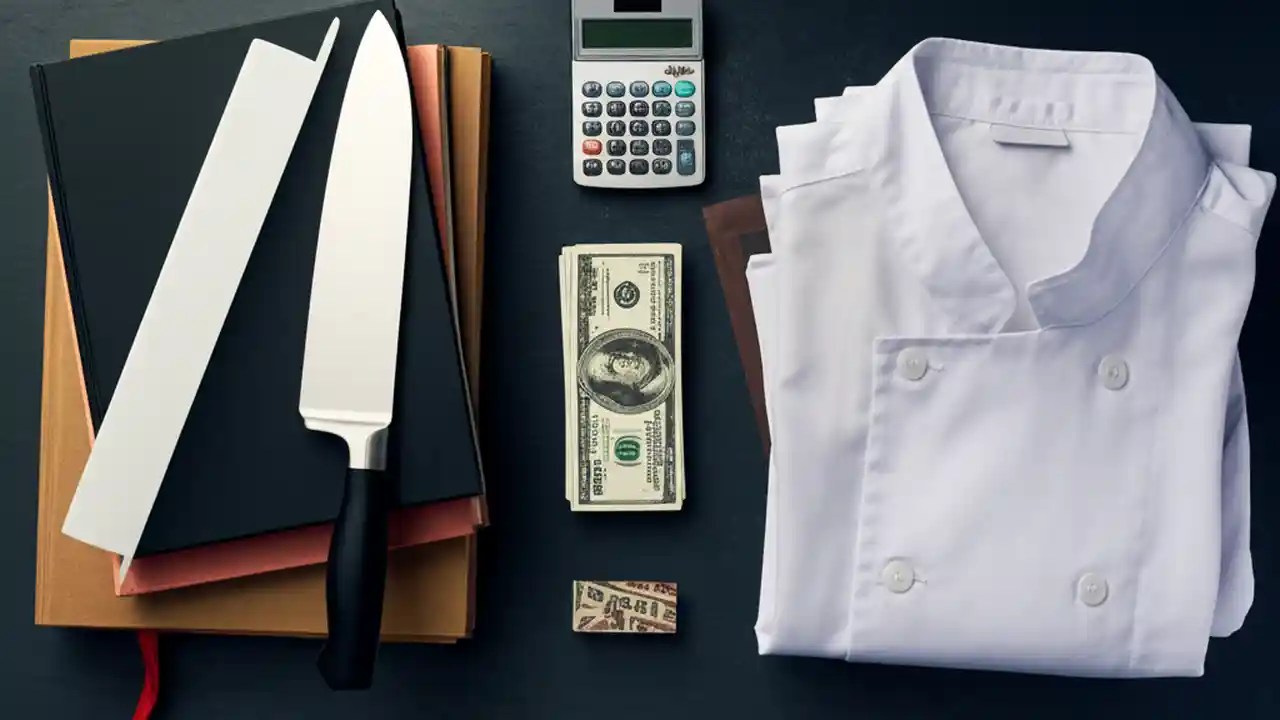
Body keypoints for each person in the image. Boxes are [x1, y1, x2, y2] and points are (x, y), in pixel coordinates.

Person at [578, 329, 675, 413]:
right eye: (610, 369)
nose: (624, 360)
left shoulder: (654, 352)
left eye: (615, 355)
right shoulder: (656, 386)